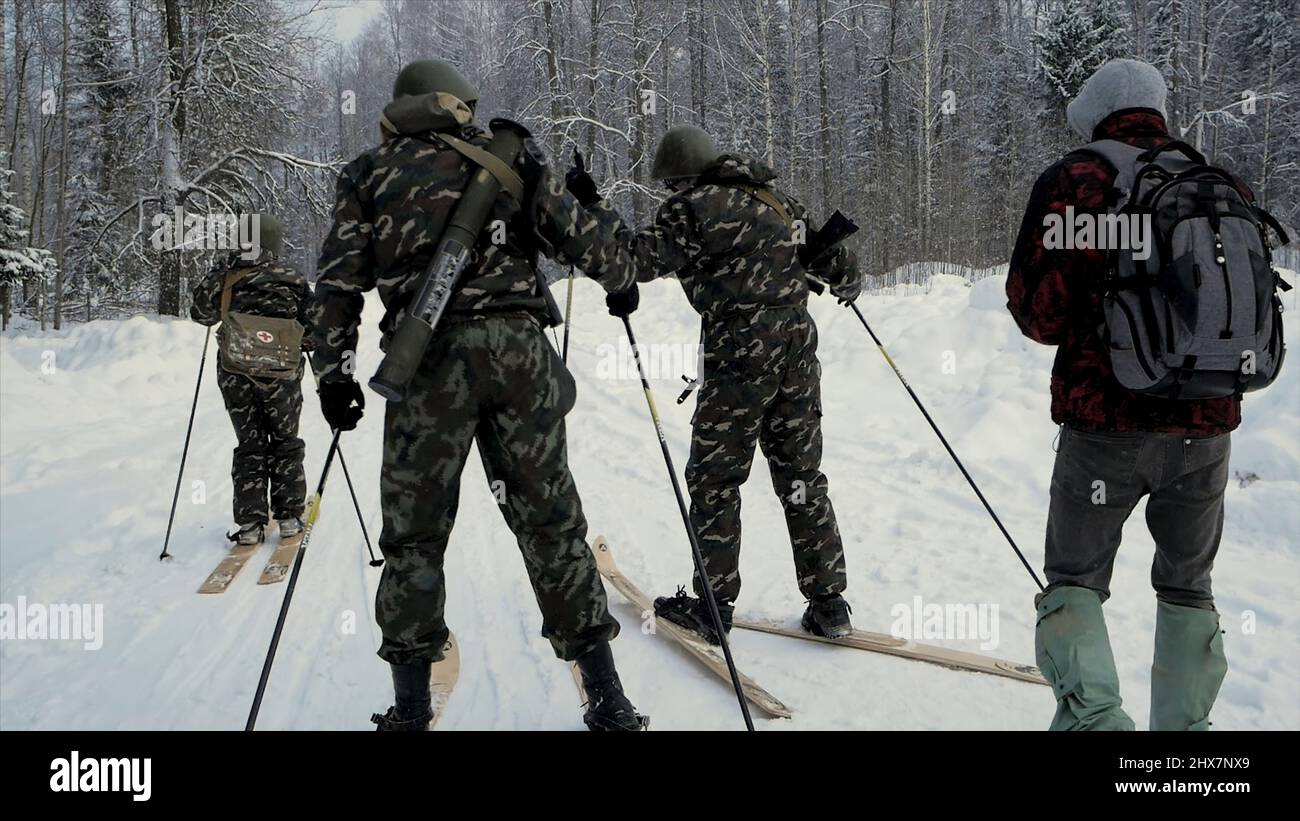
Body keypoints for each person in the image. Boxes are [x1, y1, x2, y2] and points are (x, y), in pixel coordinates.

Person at [310, 60, 645, 731]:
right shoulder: (507, 159)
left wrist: (334, 373)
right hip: (519, 354)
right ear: (458, 106)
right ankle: (608, 700)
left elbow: (337, 284)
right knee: (551, 524)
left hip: (425, 361)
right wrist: (620, 279)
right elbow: (595, 246)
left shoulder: (369, 173)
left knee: (413, 537)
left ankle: (409, 710)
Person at [1006, 59, 1249, 730]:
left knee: (1075, 580)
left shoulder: (1076, 181)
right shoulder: (1216, 179)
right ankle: (1183, 740)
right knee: (1188, 585)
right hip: (1207, 427)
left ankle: (1096, 727)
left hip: (1104, 426)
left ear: (1097, 112)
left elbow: (1038, 315)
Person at [568, 125, 863, 644]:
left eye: (669, 186)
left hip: (739, 354)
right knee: (801, 476)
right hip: (798, 349)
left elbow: (631, 260)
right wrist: (842, 277)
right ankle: (828, 602)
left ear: (681, 177)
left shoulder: (693, 208)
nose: (669, 196)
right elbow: (839, 268)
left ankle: (713, 605)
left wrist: (592, 207)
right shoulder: (777, 200)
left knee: (715, 480)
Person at [190, 213, 312, 547]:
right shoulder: (294, 279)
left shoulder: (228, 276)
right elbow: (315, 332)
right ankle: (288, 517)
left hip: (235, 374)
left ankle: (250, 524)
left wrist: (220, 271)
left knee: (251, 444)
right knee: (285, 441)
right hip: (282, 375)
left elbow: (200, 314)